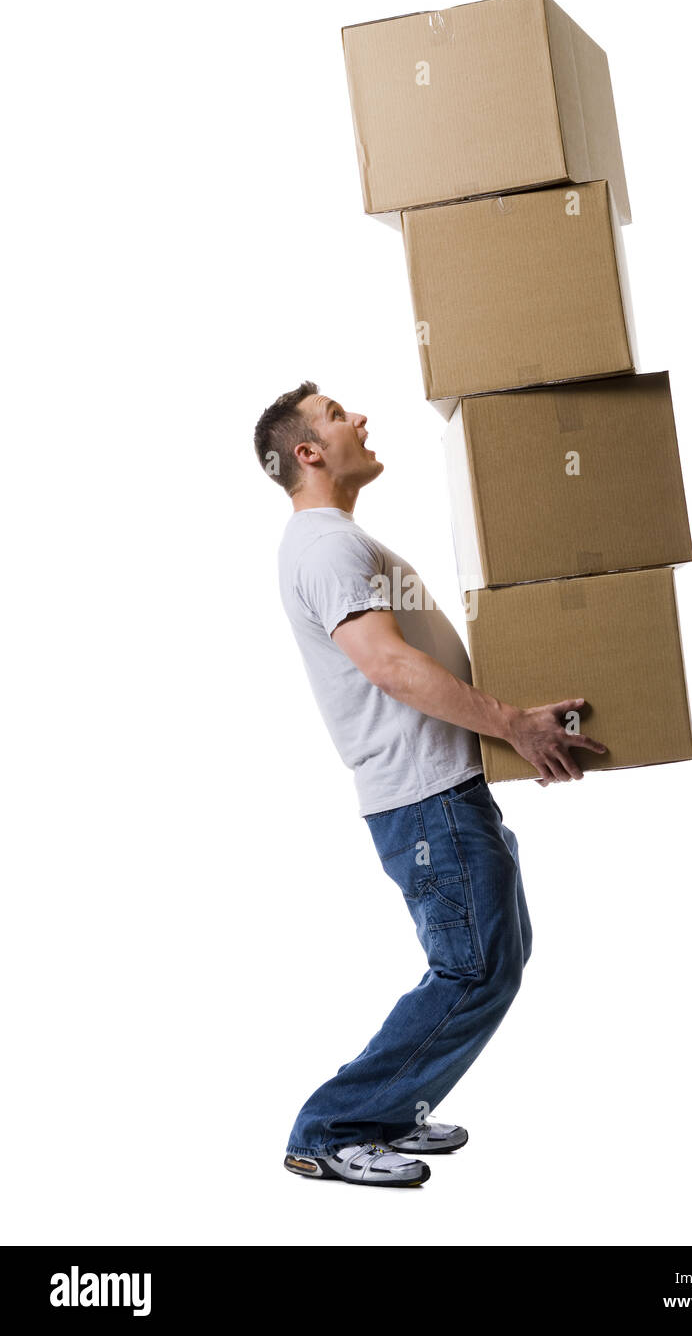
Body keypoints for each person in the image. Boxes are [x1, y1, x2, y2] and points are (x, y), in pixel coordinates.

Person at [253, 381, 606, 1189]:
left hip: (443, 787)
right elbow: (390, 666)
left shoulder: (341, 538)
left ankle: (390, 1106)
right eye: (339, 416)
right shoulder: (325, 546)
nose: (360, 419)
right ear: (307, 452)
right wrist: (512, 724)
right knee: (474, 967)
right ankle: (335, 1126)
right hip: (423, 797)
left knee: (495, 954)